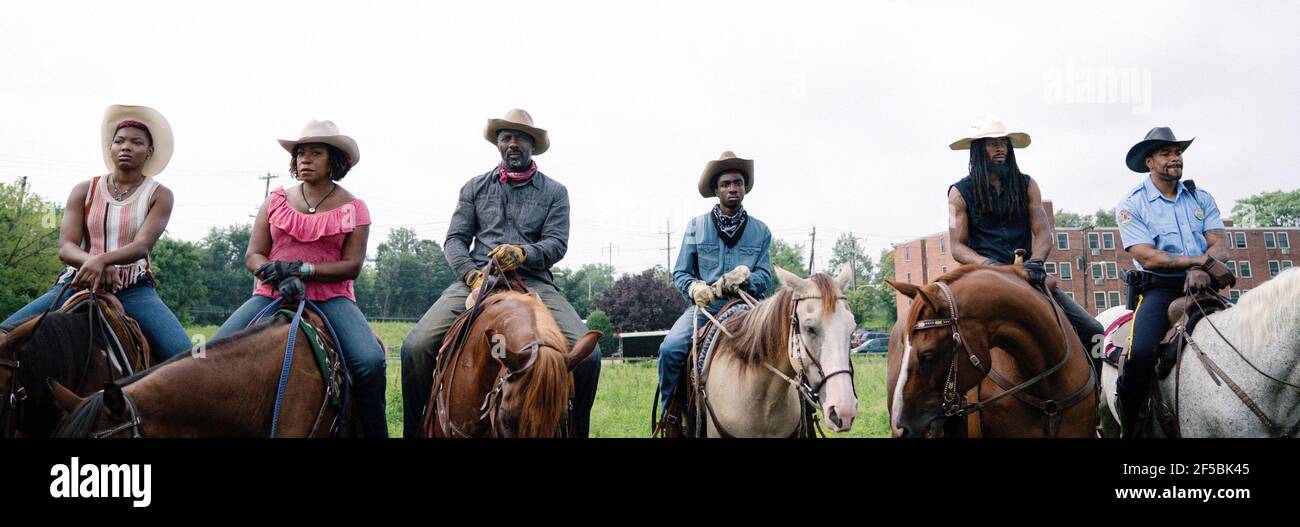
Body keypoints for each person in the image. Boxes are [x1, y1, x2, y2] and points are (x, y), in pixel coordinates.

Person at [401, 109, 601, 437]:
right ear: (498, 144)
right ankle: (415, 431)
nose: (512, 143)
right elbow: (455, 240)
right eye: (506, 137)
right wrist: (472, 276)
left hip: (533, 281)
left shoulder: (555, 192)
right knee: (415, 347)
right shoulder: (474, 188)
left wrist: (523, 253)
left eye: (520, 137)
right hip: (479, 278)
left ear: (532, 145)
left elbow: (556, 243)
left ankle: (576, 431)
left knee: (588, 357)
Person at [212, 119, 388, 438]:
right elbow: (254, 254)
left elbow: (352, 266)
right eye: (300, 153)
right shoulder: (275, 200)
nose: (305, 159)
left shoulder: (354, 208)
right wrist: (272, 274)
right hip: (271, 293)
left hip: (331, 299)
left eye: (315, 153)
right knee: (210, 353)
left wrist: (300, 270)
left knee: (370, 361)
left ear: (334, 160)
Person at [1, 104, 191, 360]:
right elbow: (66, 247)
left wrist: (103, 260)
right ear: (110, 148)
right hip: (77, 282)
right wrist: (94, 264)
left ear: (149, 152)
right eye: (119, 141)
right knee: (5, 335)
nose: (126, 147)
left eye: (136, 142)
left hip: (132, 288)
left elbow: (142, 246)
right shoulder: (84, 190)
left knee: (184, 355)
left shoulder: (160, 195)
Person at [946, 116, 1105, 379]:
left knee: (1094, 331)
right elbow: (957, 247)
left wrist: (1036, 262)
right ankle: (949, 402)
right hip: (984, 278)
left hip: (1028, 276)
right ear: (978, 150)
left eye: (1004, 143)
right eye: (993, 144)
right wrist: (991, 266)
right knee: (947, 341)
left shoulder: (1028, 185)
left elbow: (1044, 234)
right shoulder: (958, 193)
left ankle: (1095, 395)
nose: (1001, 149)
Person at [1114, 126, 1235, 437]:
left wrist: (1206, 269)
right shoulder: (1132, 204)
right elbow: (1148, 256)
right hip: (1160, 290)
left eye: (1178, 152)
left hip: (1206, 285)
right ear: (1149, 162)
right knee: (1141, 355)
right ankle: (1132, 429)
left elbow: (1218, 242)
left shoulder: (1200, 197)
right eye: (1166, 153)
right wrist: (1201, 262)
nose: (1175, 158)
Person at [657, 151, 773, 417]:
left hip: (749, 308)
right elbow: (681, 272)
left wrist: (747, 278)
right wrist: (695, 288)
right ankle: (671, 416)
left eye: (738, 183)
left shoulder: (761, 231)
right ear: (716, 190)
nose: (733, 188)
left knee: (788, 345)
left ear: (744, 188)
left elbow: (766, 276)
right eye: (726, 184)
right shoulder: (696, 227)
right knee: (670, 349)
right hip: (706, 309)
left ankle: (803, 416)